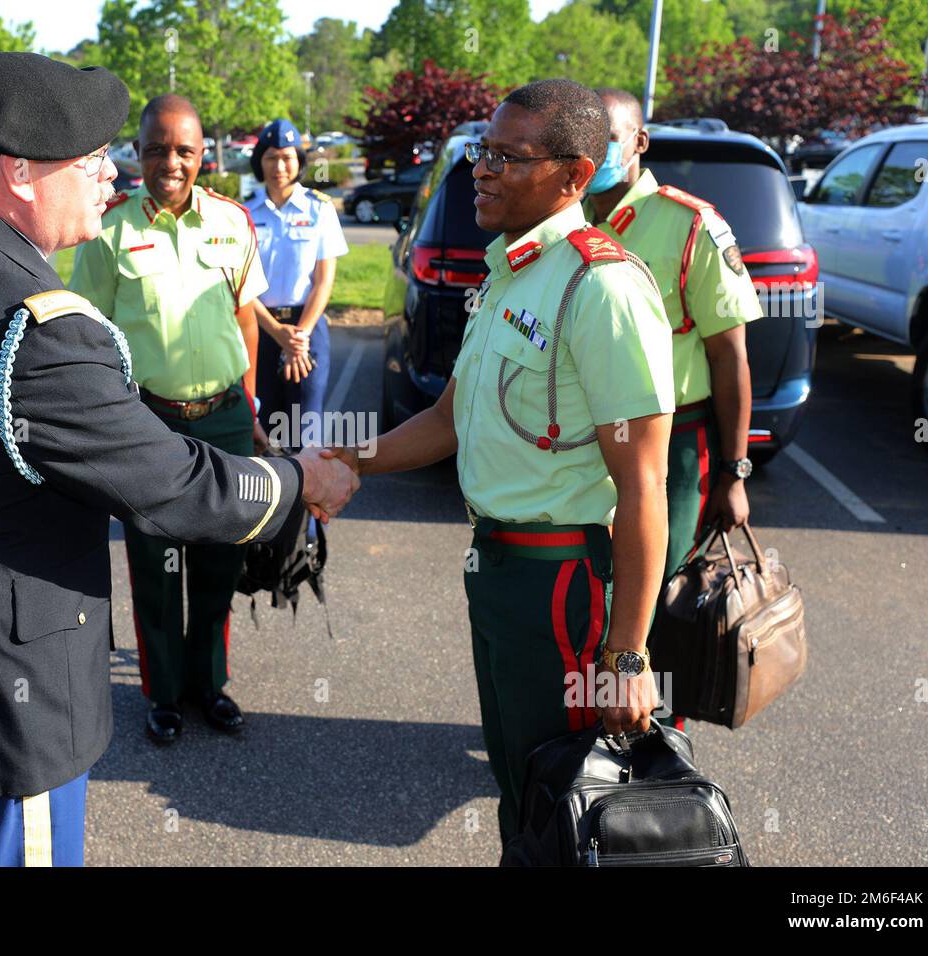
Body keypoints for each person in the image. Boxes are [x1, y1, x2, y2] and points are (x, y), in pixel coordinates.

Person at [0, 52, 357, 867]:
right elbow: (171, 484)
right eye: (91, 160)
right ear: (24, 172)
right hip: (7, 709)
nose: (112, 175)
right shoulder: (34, 325)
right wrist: (295, 482)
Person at [324, 79, 675, 848]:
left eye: (508, 157)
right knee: (522, 790)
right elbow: (449, 419)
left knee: (568, 804)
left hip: (562, 587)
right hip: (498, 571)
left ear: (575, 175)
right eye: (484, 152)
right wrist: (347, 459)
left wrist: (626, 655)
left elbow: (644, 483)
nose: (482, 170)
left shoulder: (602, 285)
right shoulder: (511, 271)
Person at [69, 94, 274, 746]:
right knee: (157, 569)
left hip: (225, 420)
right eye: (157, 148)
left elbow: (246, 318)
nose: (170, 162)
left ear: (203, 154)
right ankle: (161, 693)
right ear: (138, 153)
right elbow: (90, 335)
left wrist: (251, 406)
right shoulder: (110, 231)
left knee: (220, 562)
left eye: (184, 149)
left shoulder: (233, 222)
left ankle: (206, 684)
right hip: (149, 424)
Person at [584, 89, 764, 734]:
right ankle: (588, 719)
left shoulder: (690, 224)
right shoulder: (562, 218)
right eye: (586, 136)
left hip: (672, 441)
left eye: (613, 137)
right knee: (590, 584)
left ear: (640, 143)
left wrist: (734, 473)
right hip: (579, 435)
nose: (599, 150)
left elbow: (730, 357)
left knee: (656, 588)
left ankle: (658, 736)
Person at [245, 118, 349, 480]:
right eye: (271, 157)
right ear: (260, 161)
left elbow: (323, 281)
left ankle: (308, 528)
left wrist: (298, 338)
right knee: (264, 430)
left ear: (300, 161)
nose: (279, 166)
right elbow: (242, 284)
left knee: (306, 432)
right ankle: (268, 528)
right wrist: (278, 334)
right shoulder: (243, 214)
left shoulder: (319, 209)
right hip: (260, 330)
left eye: (288, 157)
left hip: (308, 332)